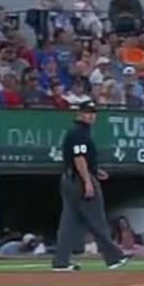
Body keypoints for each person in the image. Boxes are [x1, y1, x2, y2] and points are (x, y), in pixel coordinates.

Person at [52, 101, 129, 272]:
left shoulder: (79, 132)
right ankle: (114, 258)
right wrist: (87, 180)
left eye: (93, 112)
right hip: (78, 179)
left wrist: (95, 170)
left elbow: (81, 159)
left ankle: (61, 262)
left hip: (71, 177)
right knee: (96, 219)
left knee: (69, 221)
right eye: (87, 112)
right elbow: (79, 158)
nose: (91, 115)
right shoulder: (78, 133)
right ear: (79, 114)